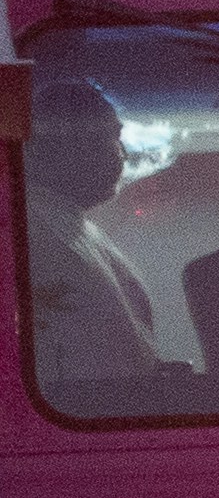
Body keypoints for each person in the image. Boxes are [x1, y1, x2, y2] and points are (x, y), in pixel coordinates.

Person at [15, 69, 167, 405]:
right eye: (108, 137)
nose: (122, 154)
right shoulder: (30, 232)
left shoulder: (64, 224)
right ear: (58, 145)